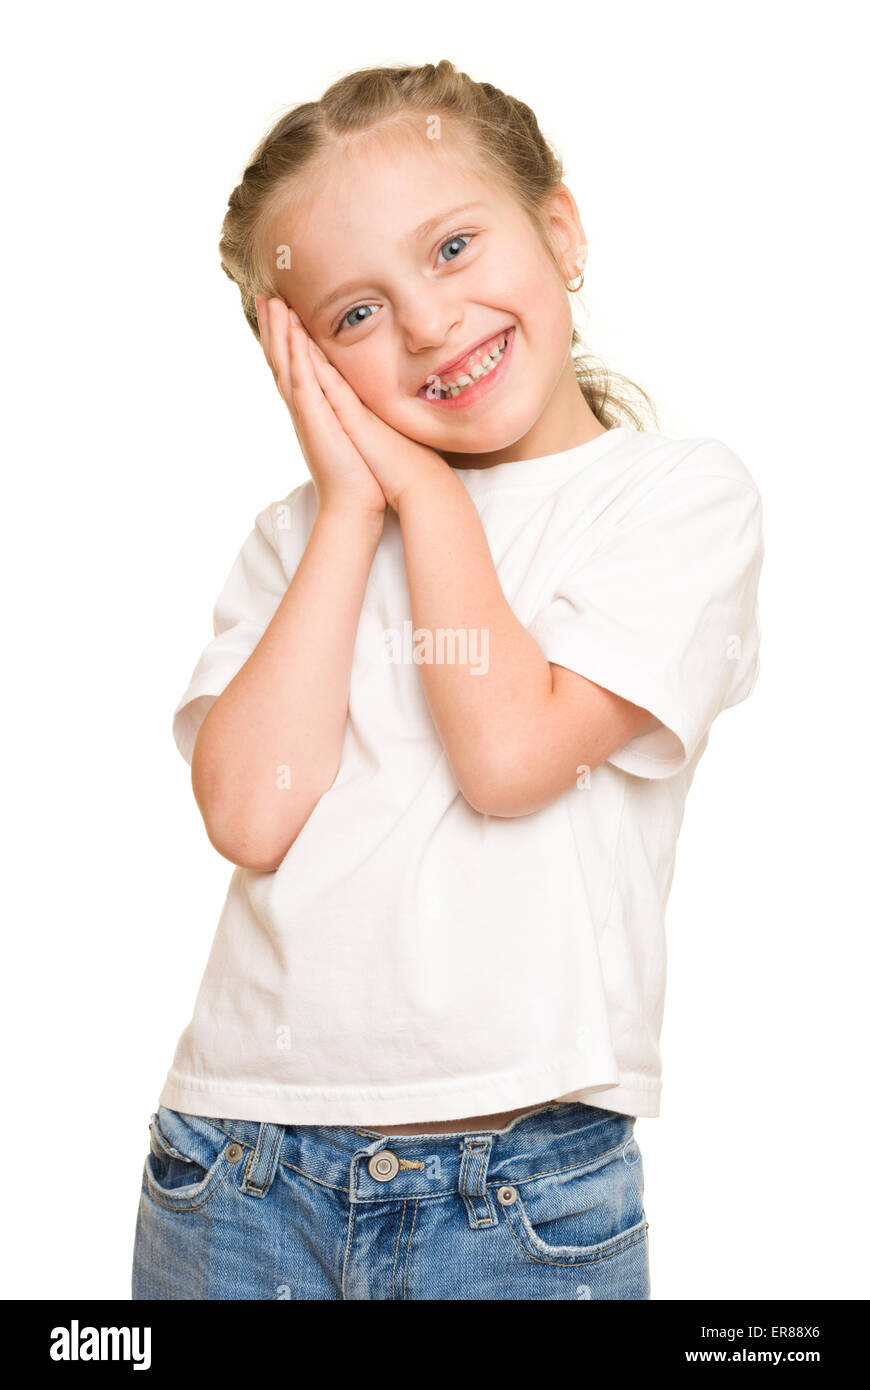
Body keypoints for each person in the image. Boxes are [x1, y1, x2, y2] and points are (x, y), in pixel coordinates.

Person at [132, 59, 764, 1301]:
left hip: (521, 1188)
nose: (426, 323)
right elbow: (251, 814)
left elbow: (510, 755)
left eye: (456, 247)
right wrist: (355, 508)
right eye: (354, 316)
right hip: (240, 1166)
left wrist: (420, 493)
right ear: (300, 362)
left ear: (562, 231)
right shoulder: (299, 536)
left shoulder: (674, 500)